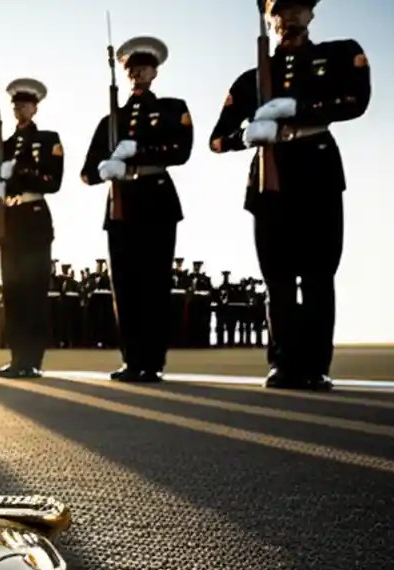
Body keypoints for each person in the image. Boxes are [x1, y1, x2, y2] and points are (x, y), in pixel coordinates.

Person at [209, 0, 371, 390]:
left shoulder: (339, 55)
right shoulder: (251, 79)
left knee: (318, 274)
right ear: (269, 18)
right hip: (270, 178)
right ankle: (282, 363)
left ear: (311, 14)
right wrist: (245, 136)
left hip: (317, 172)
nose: (289, 17)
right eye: (280, 11)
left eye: (299, 8)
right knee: (277, 278)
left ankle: (315, 366)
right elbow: (217, 139)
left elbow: (356, 102)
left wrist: (300, 107)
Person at [81, 35, 193, 382]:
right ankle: (131, 359)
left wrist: (137, 153)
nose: (137, 74)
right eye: (132, 69)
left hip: (156, 200)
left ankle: (152, 361)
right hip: (122, 206)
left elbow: (180, 151)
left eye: (144, 68)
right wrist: (106, 169)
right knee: (125, 286)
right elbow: (87, 172)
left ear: (154, 72)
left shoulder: (173, 108)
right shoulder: (111, 119)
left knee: (154, 284)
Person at [0, 77, 64, 379]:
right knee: (13, 295)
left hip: (34, 219)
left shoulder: (47, 139)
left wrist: (20, 172)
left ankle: (32, 360)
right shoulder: (0, 148)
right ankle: (17, 358)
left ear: (35, 108)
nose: (21, 109)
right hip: (9, 224)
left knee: (33, 294)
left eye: (26, 104)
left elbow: (53, 181)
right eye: (17, 105)